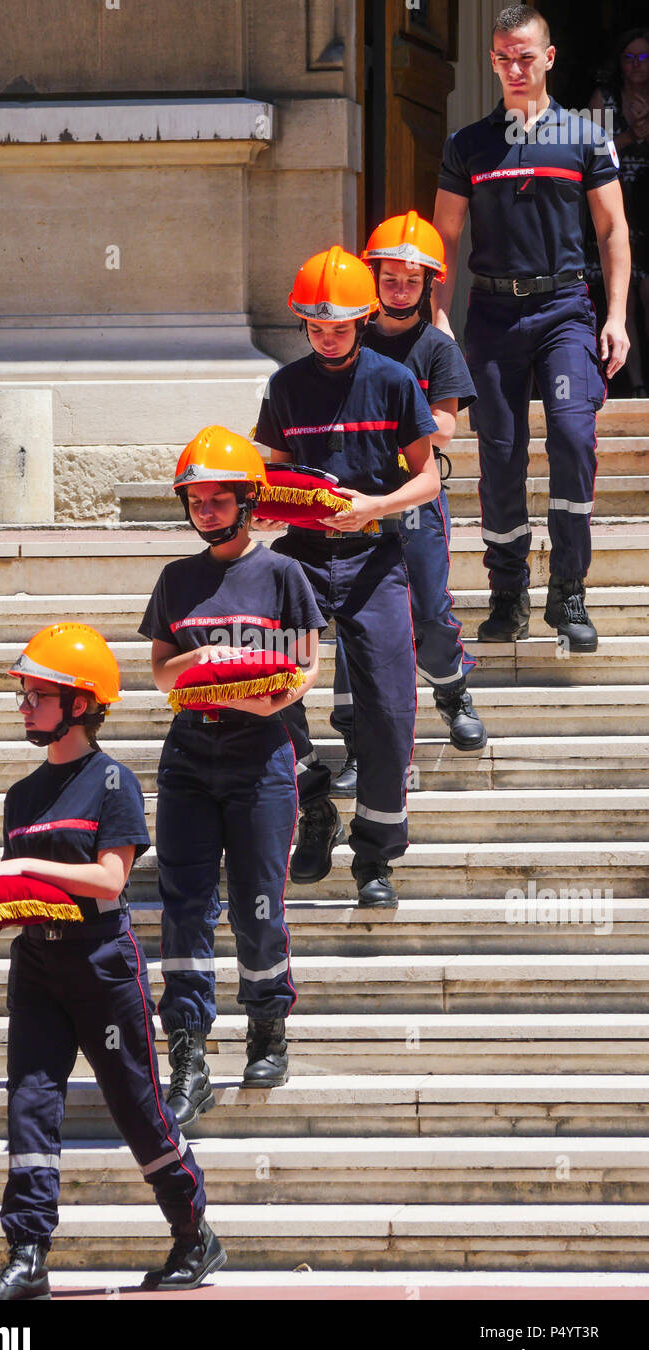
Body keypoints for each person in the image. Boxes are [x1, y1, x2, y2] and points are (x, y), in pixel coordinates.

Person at [0, 622, 224, 1298]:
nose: (24, 706)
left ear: (80, 703)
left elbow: (111, 881)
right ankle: (28, 1254)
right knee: (30, 1102)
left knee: (137, 1106)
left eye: (38, 694)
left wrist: (22, 867)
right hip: (37, 966)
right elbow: (23, 892)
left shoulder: (113, 783)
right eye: (23, 694)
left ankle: (193, 1234)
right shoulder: (21, 796)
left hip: (103, 965)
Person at [139, 426, 323, 1126]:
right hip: (189, 757)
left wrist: (258, 695)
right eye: (195, 501)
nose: (206, 510)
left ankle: (267, 1027)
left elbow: (305, 668)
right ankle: (188, 1054)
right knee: (185, 907)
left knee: (257, 903)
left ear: (248, 501)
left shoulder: (283, 575)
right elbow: (163, 675)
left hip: (261, 757)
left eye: (218, 499)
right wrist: (209, 665)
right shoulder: (176, 580)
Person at [432, 3, 630, 652]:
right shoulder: (467, 145)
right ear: (492, 61)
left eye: (525, 57)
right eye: (502, 58)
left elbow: (612, 230)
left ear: (548, 58)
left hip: (564, 312)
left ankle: (568, 589)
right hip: (492, 317)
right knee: (500, 456)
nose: (514, 69)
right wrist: (439, 321)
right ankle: (508, 593)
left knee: (572, 438)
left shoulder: (585, 137)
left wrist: (616, 316)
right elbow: (443, 239)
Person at [254, 245, 440, 908]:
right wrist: (271, 504)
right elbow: (274, 474)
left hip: (374, 559)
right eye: (314, 327)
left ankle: (375, 855)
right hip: (300, 559)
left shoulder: (395, 381)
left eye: (338, 327)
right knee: (267, 681)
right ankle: (313, 806)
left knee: (389, 709)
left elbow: (428, 477)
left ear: (362, 320)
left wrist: (374, 507)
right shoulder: (285, 387)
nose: (326, 338)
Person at [329, 211, 486, 795]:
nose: (399, 290)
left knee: (429, 608)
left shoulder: (438, 349)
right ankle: (355, 742)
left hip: (414, 498)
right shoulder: (350, 336)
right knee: (354, 617)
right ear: (372, 278)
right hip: (356, 500)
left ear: (429, 284)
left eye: (411, 280)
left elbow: (444, 428)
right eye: (389, 278)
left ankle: (452, 691)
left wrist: (385, 415)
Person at [587, 28, 649, 395]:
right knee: (622, 295)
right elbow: (590, 149)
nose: (636, 65)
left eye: (644, 57)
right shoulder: (604, 98)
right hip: (615, 199)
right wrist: (631, 135)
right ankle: (637, 384)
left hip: (647, 204)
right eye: (629, 57)